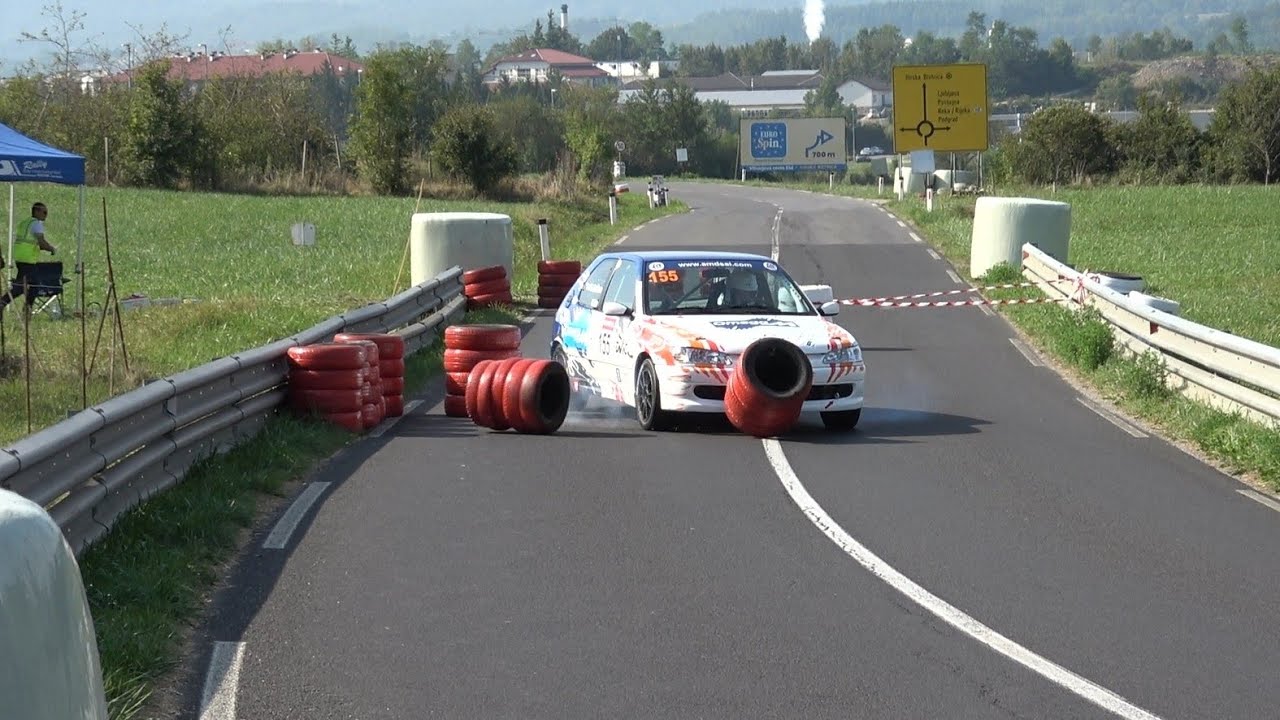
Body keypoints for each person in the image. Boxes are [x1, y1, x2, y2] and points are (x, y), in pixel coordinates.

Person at [0, 202, 58, 313]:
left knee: (32, 283)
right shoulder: (37, 224)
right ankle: (5, 302)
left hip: (21, 257)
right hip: (28, 259)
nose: (46, 215)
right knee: (25, 285)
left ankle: (26, 307)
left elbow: (30, 242)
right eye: (44, 212)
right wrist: (52, 249)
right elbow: (41, 243)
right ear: (36, 211)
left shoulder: (25, 223)